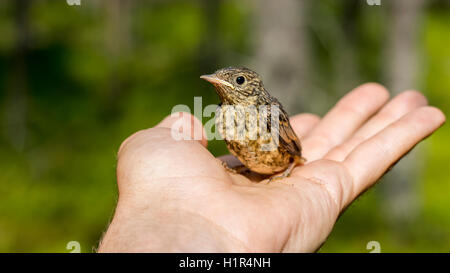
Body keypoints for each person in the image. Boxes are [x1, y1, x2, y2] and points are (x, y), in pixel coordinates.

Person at [98, 83, 445, 252]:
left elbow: (292, 145)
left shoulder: (269, 113)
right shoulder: (224, 115)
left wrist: (292, 165)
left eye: (236, 82)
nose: (223, 86)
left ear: (251, 89)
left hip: (284, 164)